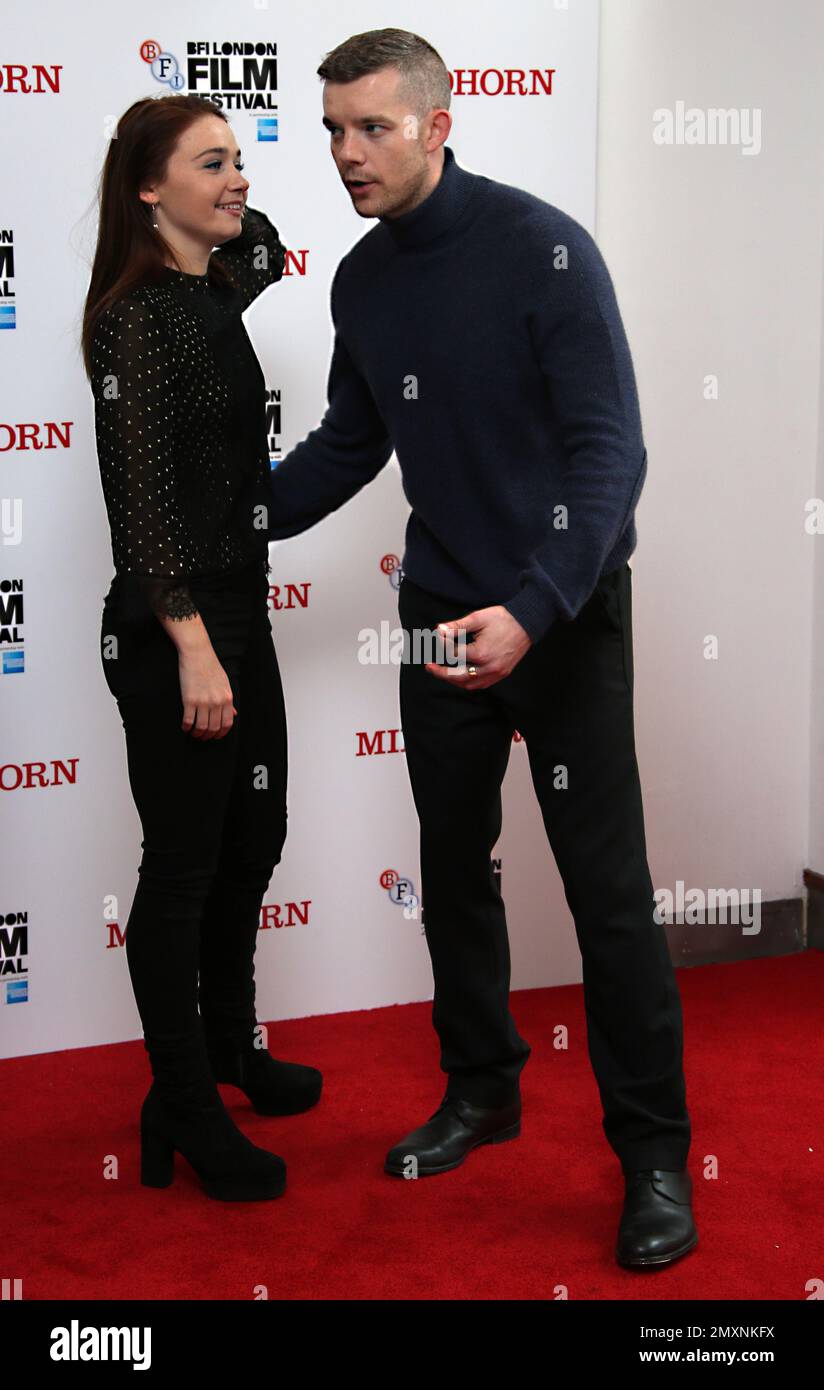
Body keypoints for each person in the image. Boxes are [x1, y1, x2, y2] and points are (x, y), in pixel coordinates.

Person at [267, 29, 697, 1268]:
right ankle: (482, 1089)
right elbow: (351, 443)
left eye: (373, 129)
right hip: (442, 616)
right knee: (453, 869)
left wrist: (537, 603)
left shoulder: (543, 251)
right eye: (333, 129)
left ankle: (655, 1156)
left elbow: (611, 454)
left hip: (557, 617)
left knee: (607, 896)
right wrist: (238, 516)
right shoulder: (361, 281)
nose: (347, 153)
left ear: (438, 125)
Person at [81, 93, 322, 1203]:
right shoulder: (134, 317)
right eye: (209, 161)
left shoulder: (214, 280)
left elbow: (263, 236)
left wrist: (217, 201)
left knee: (253, 835)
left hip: (240, 605)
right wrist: (189, 642)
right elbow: (135, 507)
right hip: (174, 623)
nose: (238, 177)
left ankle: (229, 1045)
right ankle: (178, 1098)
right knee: (180, 873)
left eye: (240, 156)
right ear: (144, 187)